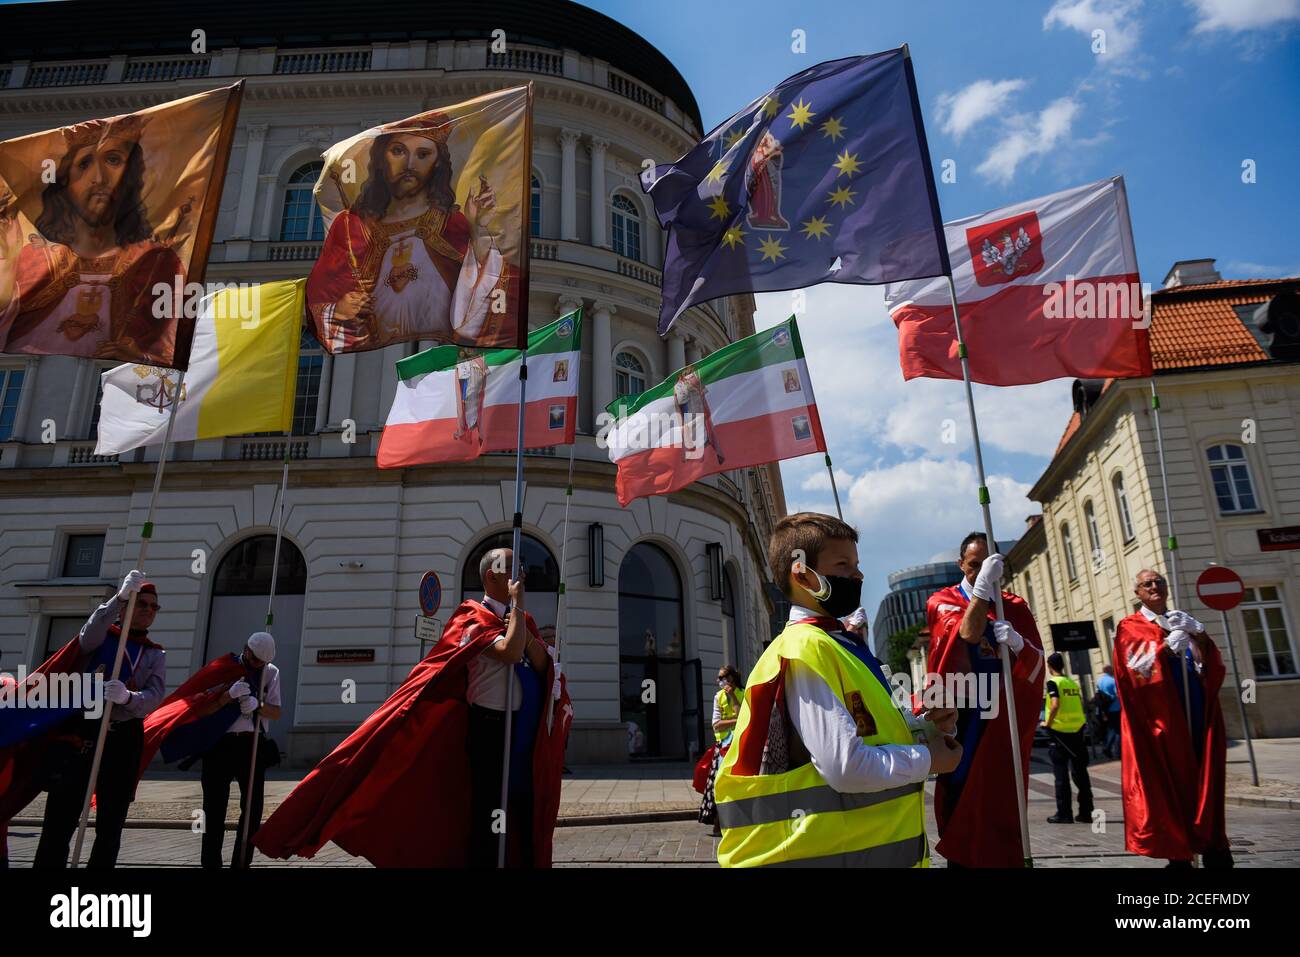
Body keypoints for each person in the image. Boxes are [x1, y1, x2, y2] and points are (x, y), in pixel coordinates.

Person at [254, 548, 571, 867]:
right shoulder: (472, 617)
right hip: (489, 727)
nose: (522, 573)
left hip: (524, 728)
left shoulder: (521, 620)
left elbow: (542, 664)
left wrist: (523, 627)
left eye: (522, 565)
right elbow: (511, 652)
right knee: (489, 809)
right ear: (492, 575)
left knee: (524, 805)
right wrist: (518, 609)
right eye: (513, 566)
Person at [714, 513, 960, 867]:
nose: (858, 575)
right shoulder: (806, 648)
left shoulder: (839, 645)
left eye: (856, 564)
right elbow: (845, 766)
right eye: (843, 565)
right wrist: (928, 759)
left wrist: (927, 730)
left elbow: (872, 733)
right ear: (802, 575)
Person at [307, 114, 513, 351]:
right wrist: (337, 310)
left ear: (437, 164)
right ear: (381, 159)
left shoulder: (453, 224)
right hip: (373, 361)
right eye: (398, 151)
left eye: (423, 154)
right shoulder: (351, 227)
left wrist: (479, 229)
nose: (409, 165)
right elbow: (318, 299)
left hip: (437, 359)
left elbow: (482, 305)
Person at [0, 114, 186, 362]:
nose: (99, 177)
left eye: (113, 160)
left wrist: (140, 358)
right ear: (67, 182)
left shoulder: (157, 264)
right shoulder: (30, 260)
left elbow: (173, 351)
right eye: (84, 164)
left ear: (131, 177)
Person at [925, 532, 1044, 867]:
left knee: (1000, 793)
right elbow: (967, 632)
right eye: (974, 564)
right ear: (961, 564)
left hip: (1001, 716)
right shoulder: (942, 600)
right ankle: (961, 859)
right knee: (960, 788)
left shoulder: (1014, 606)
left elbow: (1037, 664)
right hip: (963, 716)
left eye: (988, 565)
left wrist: (1019, 644)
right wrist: (981, 590)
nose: (980, 571)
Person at [33, 570, 166, 868]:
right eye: (141, 603)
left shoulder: (155, 654)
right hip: (86, 731)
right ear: (127, 607)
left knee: (111, 824)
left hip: (123, 737)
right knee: (60, 818)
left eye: (153, 606)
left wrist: (129, 698)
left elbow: (155, 696)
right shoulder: (103, 636)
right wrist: (118, 598)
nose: (148, 610)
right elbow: (87, 634)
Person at [1113, 569, 1232, 869]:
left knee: (1205, 779)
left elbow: (1210, 663)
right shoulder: (1130, 626)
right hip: (1162, 721)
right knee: (1173, 783)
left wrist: (1199, 634)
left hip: (1196, 712)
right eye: (1147, 584)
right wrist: (1165, 649)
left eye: (1159, 582)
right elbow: (1134, 671)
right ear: (1138, 592)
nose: (1154, 587)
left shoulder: (1179, 620)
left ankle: (1212, 843)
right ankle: (1179, 852)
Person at [197, 632, 281, 869]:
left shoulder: (271, 673)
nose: (257, 665)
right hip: (219, 745)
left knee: (252, 810)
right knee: (213, 809)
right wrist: (227, 696)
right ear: (246, 649)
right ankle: (210, 864)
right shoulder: (221, 668)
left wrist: (258, 705)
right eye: (254, 660)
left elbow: (276, 712)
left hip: (251, 744)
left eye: (262, 662)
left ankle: (241, 863)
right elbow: (201, 709)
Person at [1043, 652, 1094, 824]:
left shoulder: (1053, 682)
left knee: (1061, 775)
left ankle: (1064, 813)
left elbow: (1055, 704)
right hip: (1077, 732)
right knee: (1081, 773)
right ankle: (1086, 811)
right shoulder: (1071, 682)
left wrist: (1047, 723)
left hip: (1059, 733)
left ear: (1049, 666)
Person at [697, 665, 744, 834]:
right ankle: (718, 821)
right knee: (718, 784)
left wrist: (733, 697)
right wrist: (736, 720)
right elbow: (716, 724)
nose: (719, 681)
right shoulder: (718, 697)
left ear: (731, 678)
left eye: (722, 677)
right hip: (723, 745)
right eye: (719, 678)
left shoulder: (743, 693)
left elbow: (743, 715)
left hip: (739, 744)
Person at [1095, 664, 1121, 759]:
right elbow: (1118, 694)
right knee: (1118, 731)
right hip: (1115, 708)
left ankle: (1107, 748)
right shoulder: (1113, 681)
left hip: (1105, 709)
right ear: (1109, 670)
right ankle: (1118, 752)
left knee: (1111, 729)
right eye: (1112, 669)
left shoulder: (1099, 681)